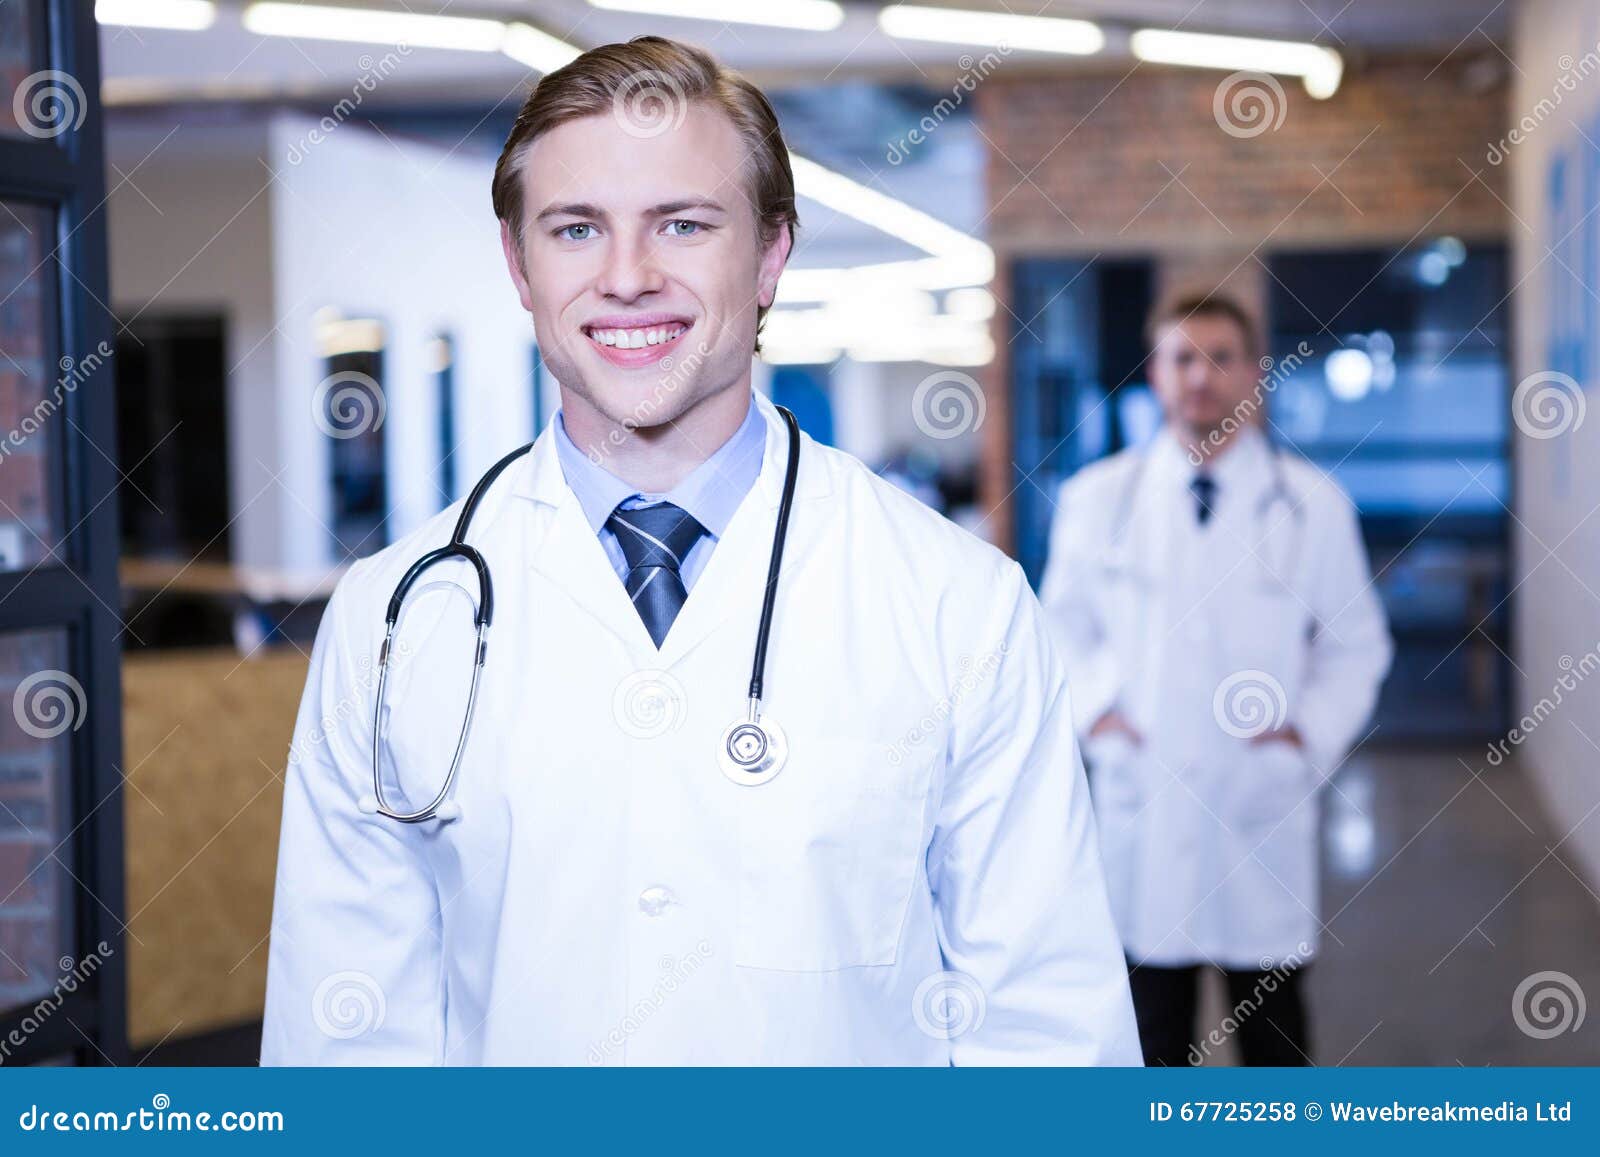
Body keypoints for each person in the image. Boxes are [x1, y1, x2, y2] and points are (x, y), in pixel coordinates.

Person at [260, 36, 1139, 1066]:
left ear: (770, 253)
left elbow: (1045, 1029)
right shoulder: (391, 615)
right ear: (520, 264)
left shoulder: (958, 603)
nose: (627, 277)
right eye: (576, 227)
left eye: (682, 223)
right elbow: (347, 1032)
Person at [1039, 293, 1392, 1066]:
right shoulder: (1097, 499)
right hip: (1144, 798)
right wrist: (1100, 715)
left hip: (1256, 805)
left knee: (1272, 1038)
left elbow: (1356, 644)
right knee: (1146, 1038)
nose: (1201, 375)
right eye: (1182, 357)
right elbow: (1058, 627)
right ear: (1156, 373)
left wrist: (1307, 735)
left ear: (1255, 374)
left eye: (1221, 357)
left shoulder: (1312, 505)